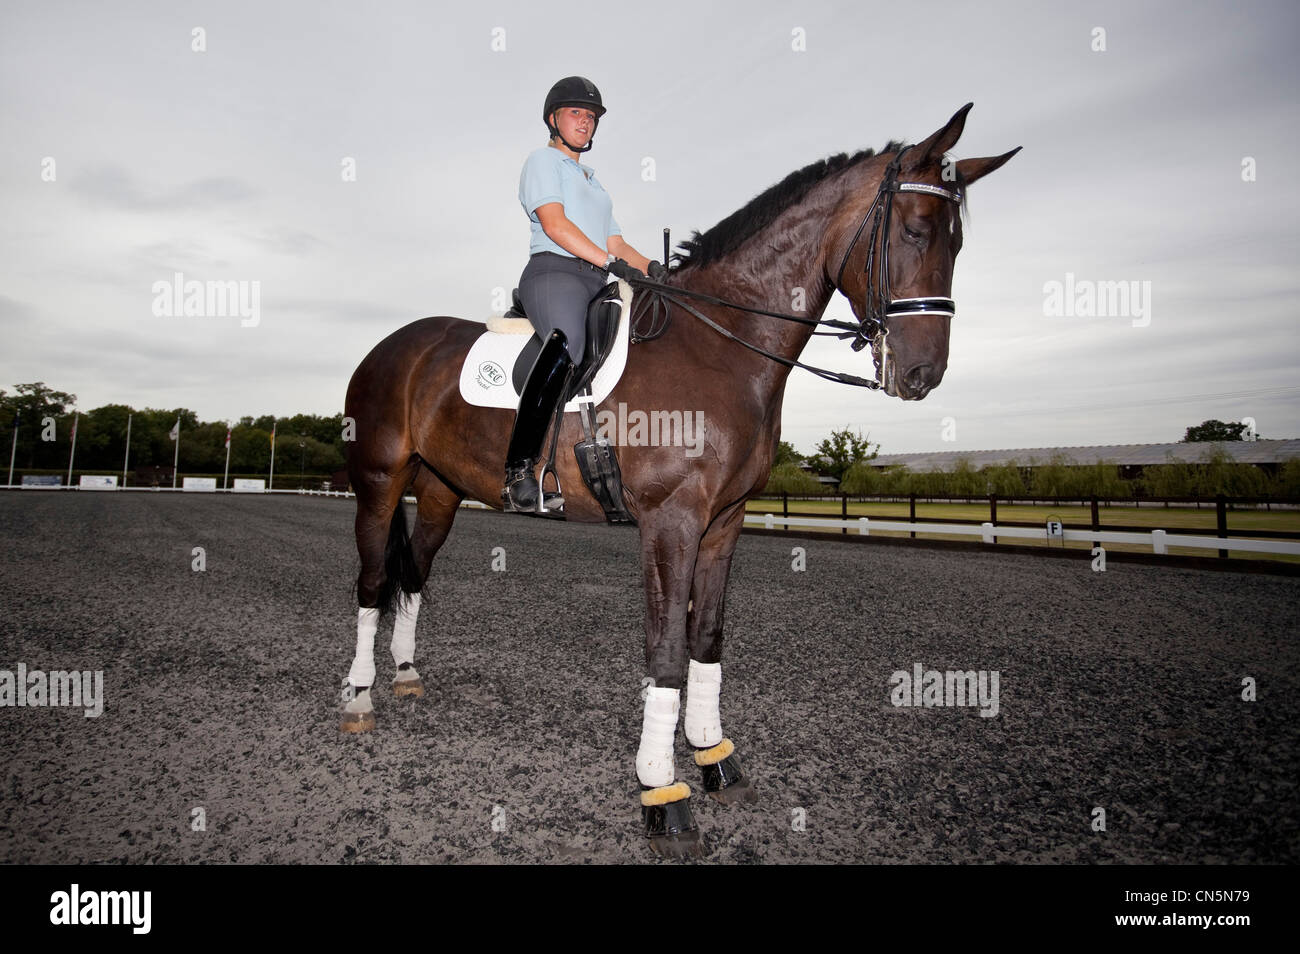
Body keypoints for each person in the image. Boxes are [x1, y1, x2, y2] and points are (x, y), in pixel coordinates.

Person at [502, 76, 667, 516]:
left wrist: (654, 269)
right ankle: (518, 468)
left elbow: (617, 245)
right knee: (568, 342)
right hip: (554, 271)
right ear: (553, 119)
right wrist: (609, 262)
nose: (586, 122)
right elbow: (555, 225)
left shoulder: (595, 184)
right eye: (576, 113)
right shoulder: (542, 161)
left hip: (599, 277)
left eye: (591, 116)